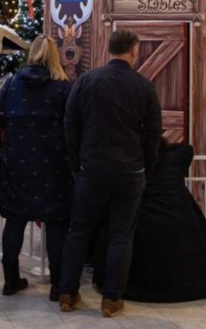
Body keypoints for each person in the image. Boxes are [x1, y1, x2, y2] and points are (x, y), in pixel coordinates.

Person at [57, 29, 162, 319]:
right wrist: (146, 168)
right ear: (134, 50)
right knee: (120, 236)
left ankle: (67, 293)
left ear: (108, 48)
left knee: (78, 231)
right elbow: (153, 134)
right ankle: (111, 299)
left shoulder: (87, 81)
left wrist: (77, 162)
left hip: (91, 169)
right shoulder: (144, 86)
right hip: (130, 172)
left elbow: (70, 124)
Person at [93, 139, 206, 303]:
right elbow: (186, 147)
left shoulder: (136, 167)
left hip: (144, 228)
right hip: (182, 233)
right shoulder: (175, 161)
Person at [0, 36, 73, 299]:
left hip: (17, 164)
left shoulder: (13, 83)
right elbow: (73, 122)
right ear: (54, 56)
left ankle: (10, 280)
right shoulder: (63, 87)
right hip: (54, 166)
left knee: (14, 221)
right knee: (57, 224)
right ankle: (58, 286)